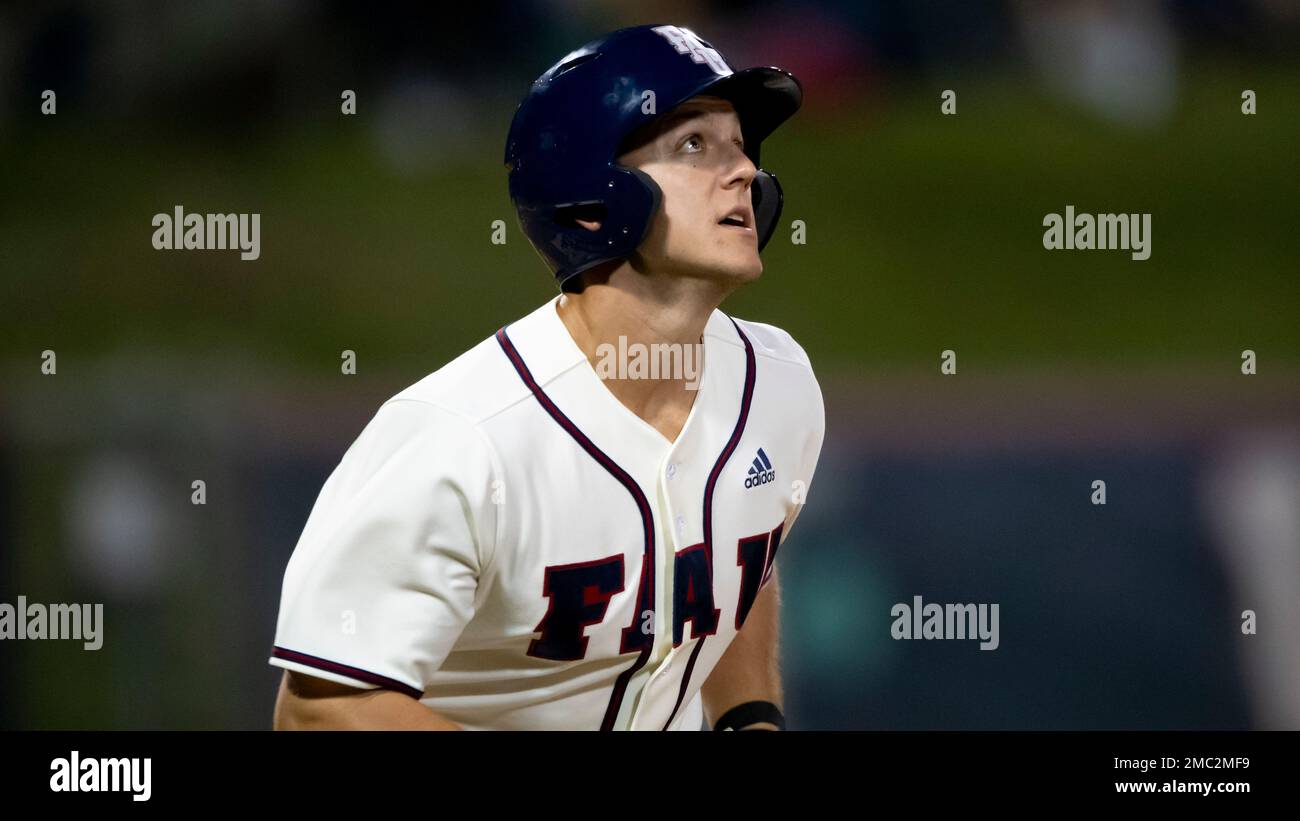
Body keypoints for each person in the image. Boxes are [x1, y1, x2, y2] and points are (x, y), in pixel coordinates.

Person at [269, 24, 824, 731]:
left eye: (742, 146)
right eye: (693, 145)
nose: (744, 169)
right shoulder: (462, 438)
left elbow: (739, 566)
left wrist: (749, 716)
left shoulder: (779, 384)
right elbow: (322, 708)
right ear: (592, 203)